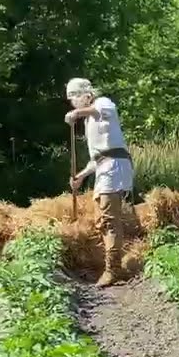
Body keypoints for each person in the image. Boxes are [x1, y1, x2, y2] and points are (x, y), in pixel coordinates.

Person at [64, 77, 133, 287]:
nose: (73, 103)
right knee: (102, 220)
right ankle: (112, 266)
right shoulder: (89, 122)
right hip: (104, 167)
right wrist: (81, 176)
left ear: (84, 94)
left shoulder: (103, 103)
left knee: (109, 219)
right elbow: (97, 159)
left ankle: (114, 269)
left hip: (115, 166)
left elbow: (98, 111)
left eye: (74, 98)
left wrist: (77, 113)